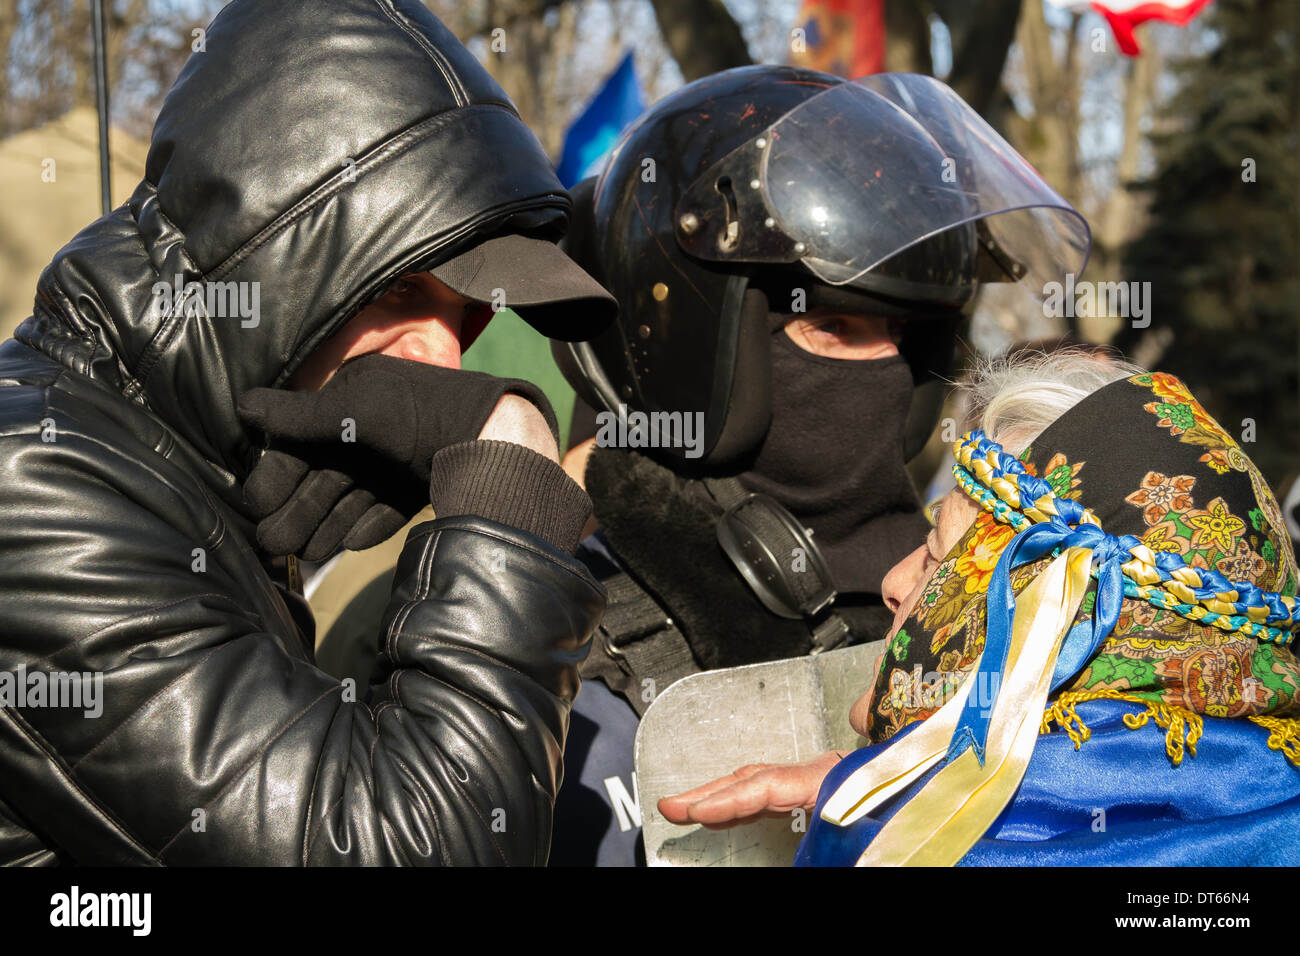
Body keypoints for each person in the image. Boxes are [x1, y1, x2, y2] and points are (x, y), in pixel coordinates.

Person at [0, 0, 619, 865]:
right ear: (263, 254)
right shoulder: (33, 482)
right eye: (400, 292)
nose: (444, 357)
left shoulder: (203, 451)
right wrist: (511, 478)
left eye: (476, 310)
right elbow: (403, 849)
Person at [547, 67, 1091, 864]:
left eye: (904, 332)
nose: (885, 366)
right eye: (832, 324)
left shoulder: (998, 610)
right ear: (701, 354)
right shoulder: (553, 638)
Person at [662, 350, 1300, 865]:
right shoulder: (1270, 791)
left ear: (1050, 611)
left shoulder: (950, 847)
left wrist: (884, 816)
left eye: (938, 561)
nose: (892, 582)